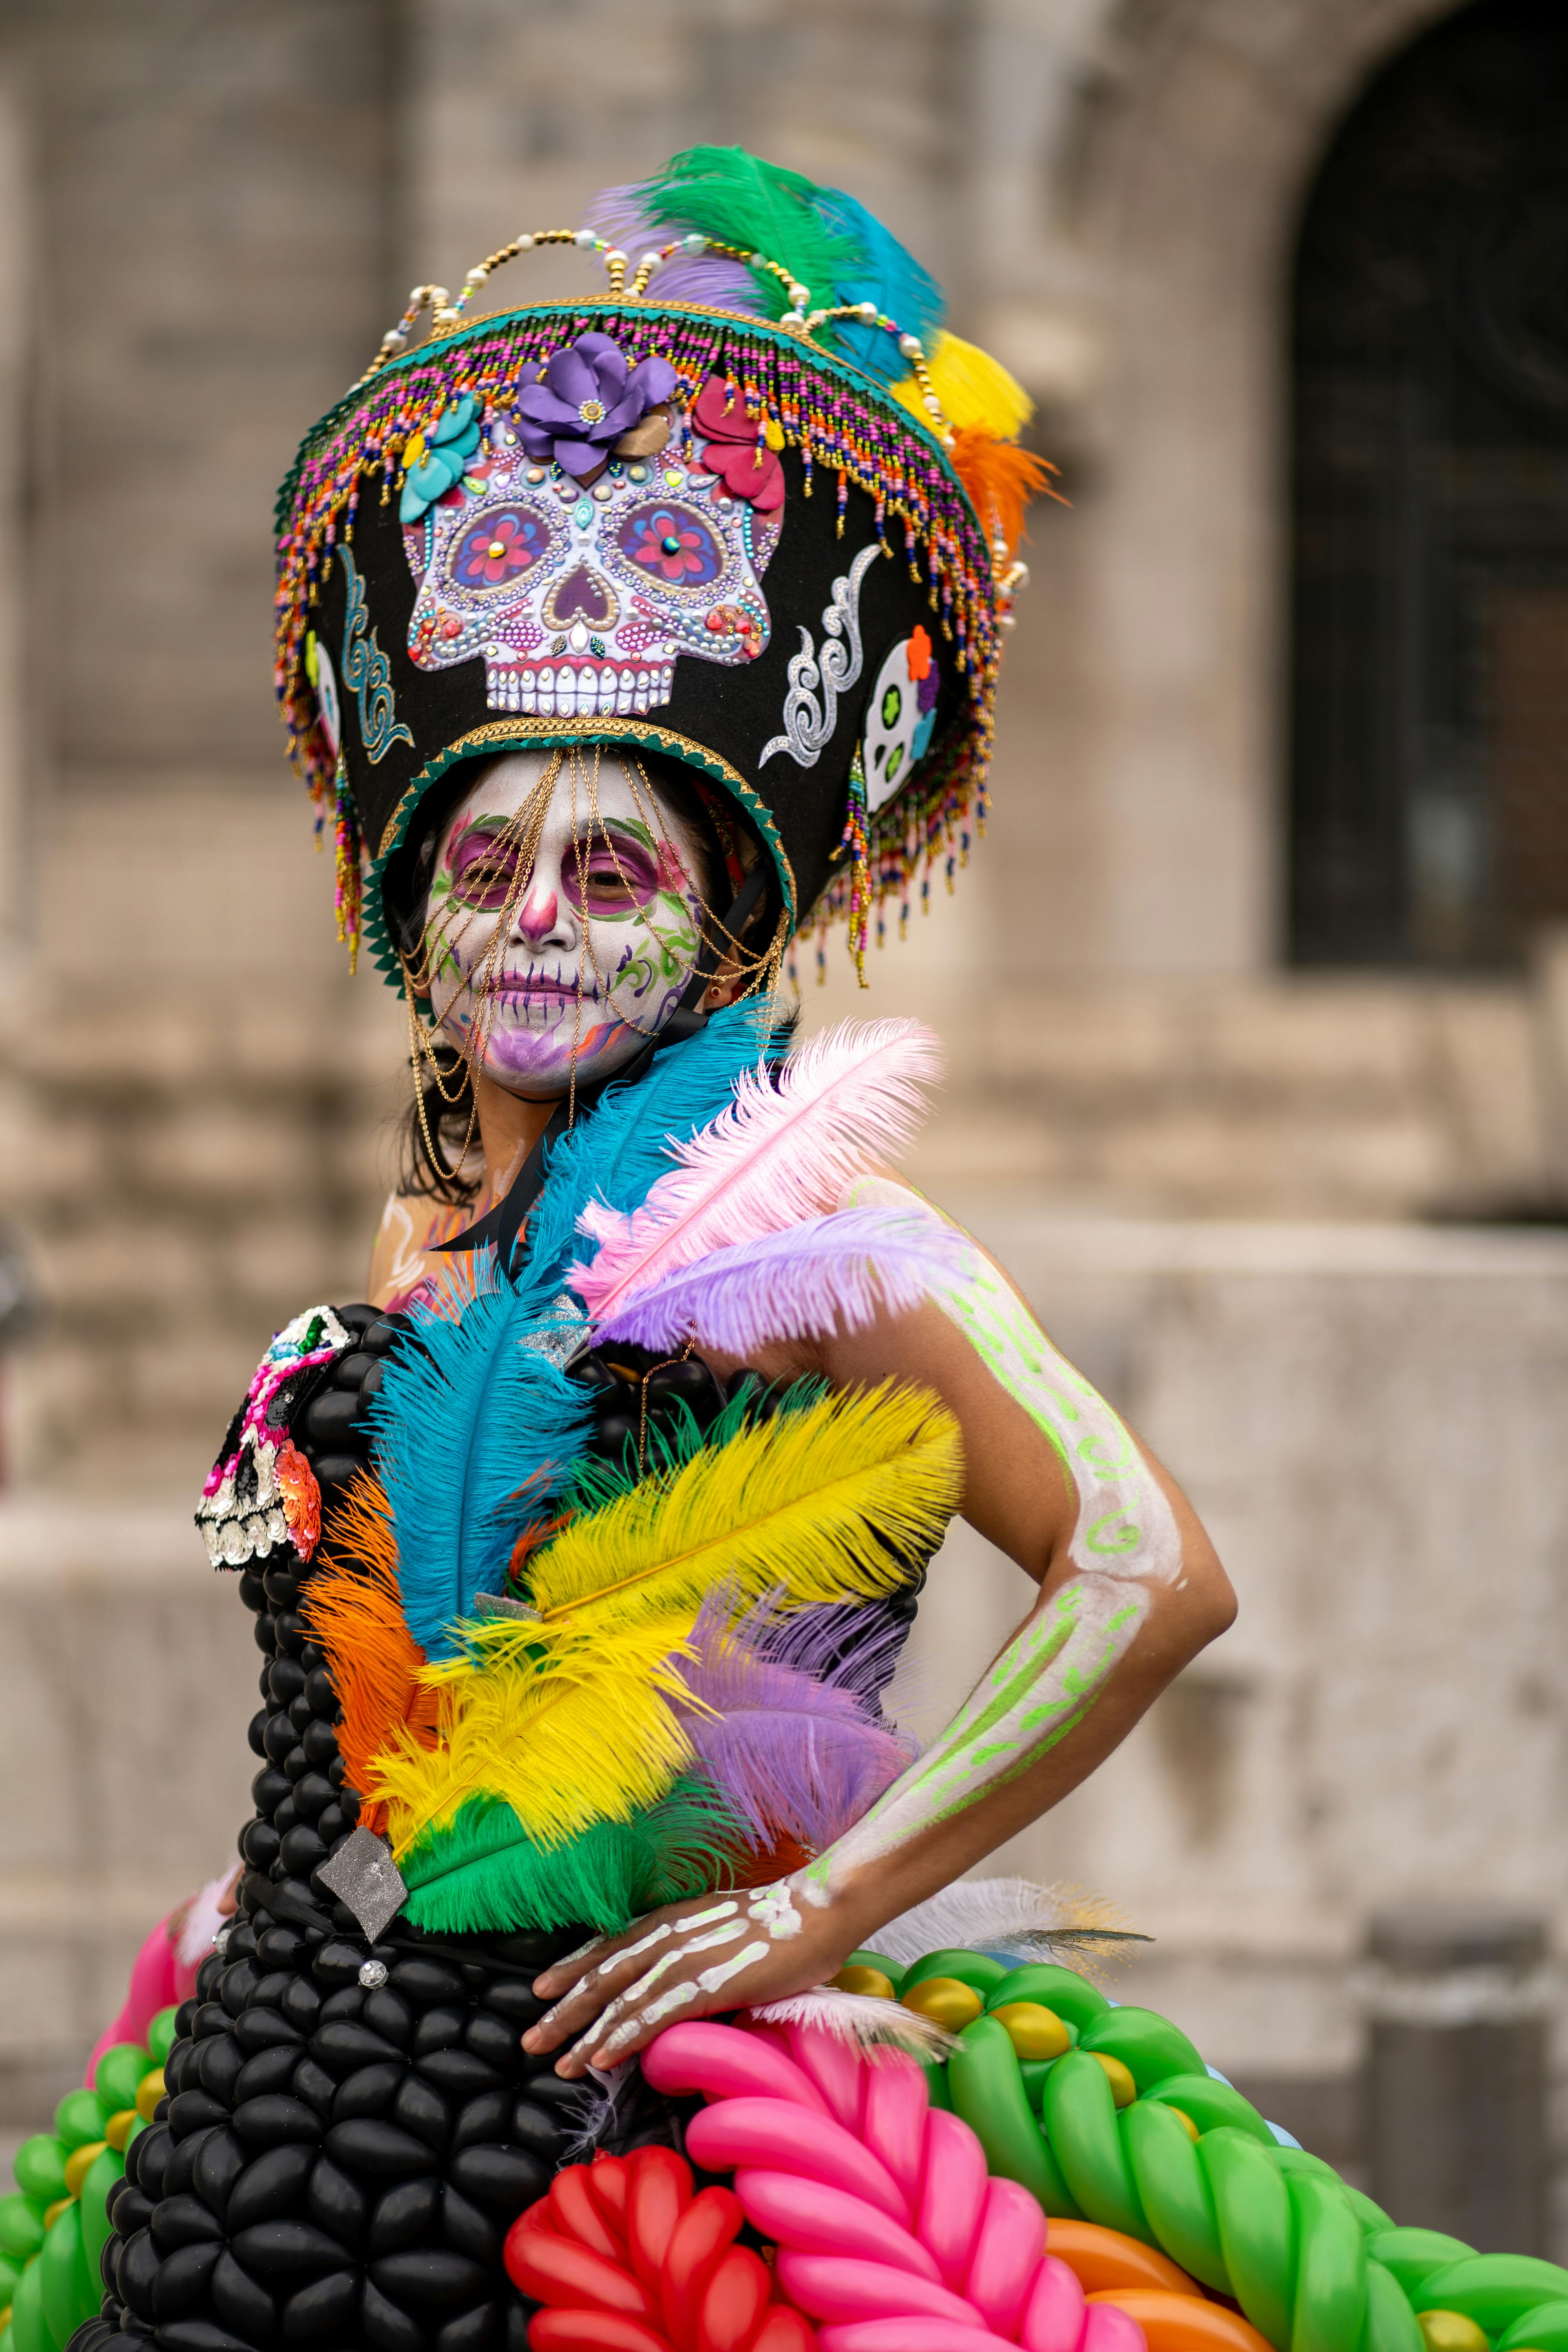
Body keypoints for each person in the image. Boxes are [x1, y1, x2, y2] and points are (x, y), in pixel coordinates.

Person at [86, 147, 1235, 2352]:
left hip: (593, 2180)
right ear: (405, 911)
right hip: (277, 2137)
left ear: (724, 917)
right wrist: (304, 1879)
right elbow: (425, 1715)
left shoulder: (801, 1218)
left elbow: (1145, 1564)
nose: (533, 918)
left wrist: (820, 1914)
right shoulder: (431, 1236)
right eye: (487, 862)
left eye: (612, 876)